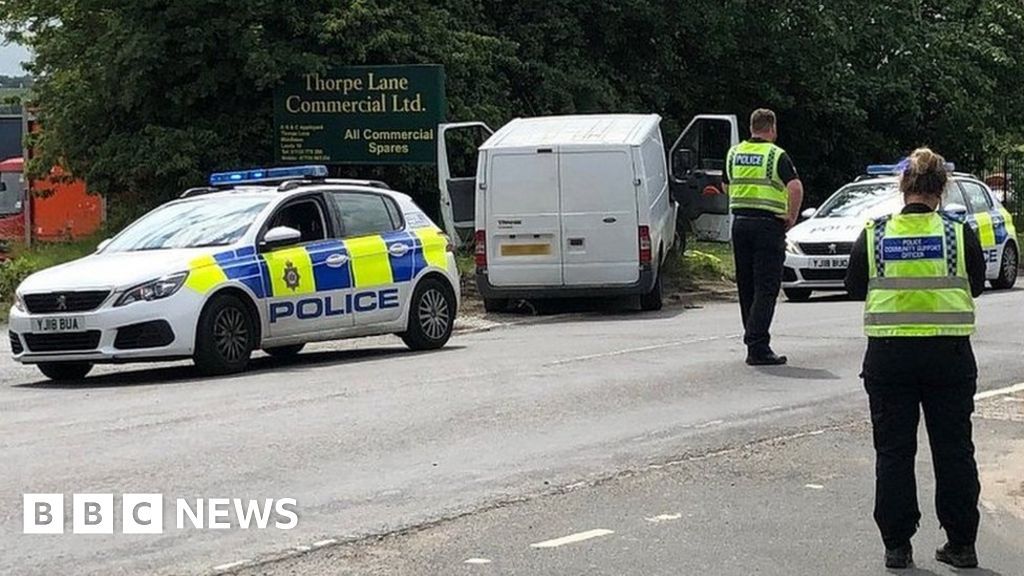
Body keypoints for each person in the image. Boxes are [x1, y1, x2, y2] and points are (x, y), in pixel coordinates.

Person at [845, 148, 985, 570]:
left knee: (893, 452)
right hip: (949, 355)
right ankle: (961, 545)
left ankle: (897, 546)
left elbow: (854, 286)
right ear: (941, 188)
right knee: (954, 451)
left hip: (890, 357)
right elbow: (976, 284)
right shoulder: (959, 233)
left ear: (903, 187)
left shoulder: (875, 233)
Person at [723, 109, 804, 365]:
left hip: (741, 224)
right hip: (768, 225)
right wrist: (791, 216)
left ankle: (754, 344)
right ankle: (757, 343)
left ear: (751, 127)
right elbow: (795, 186)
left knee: (747, 287)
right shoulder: (775, 154)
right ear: (772, 128)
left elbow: (726, 184)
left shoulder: (734, 153)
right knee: (766, 287)